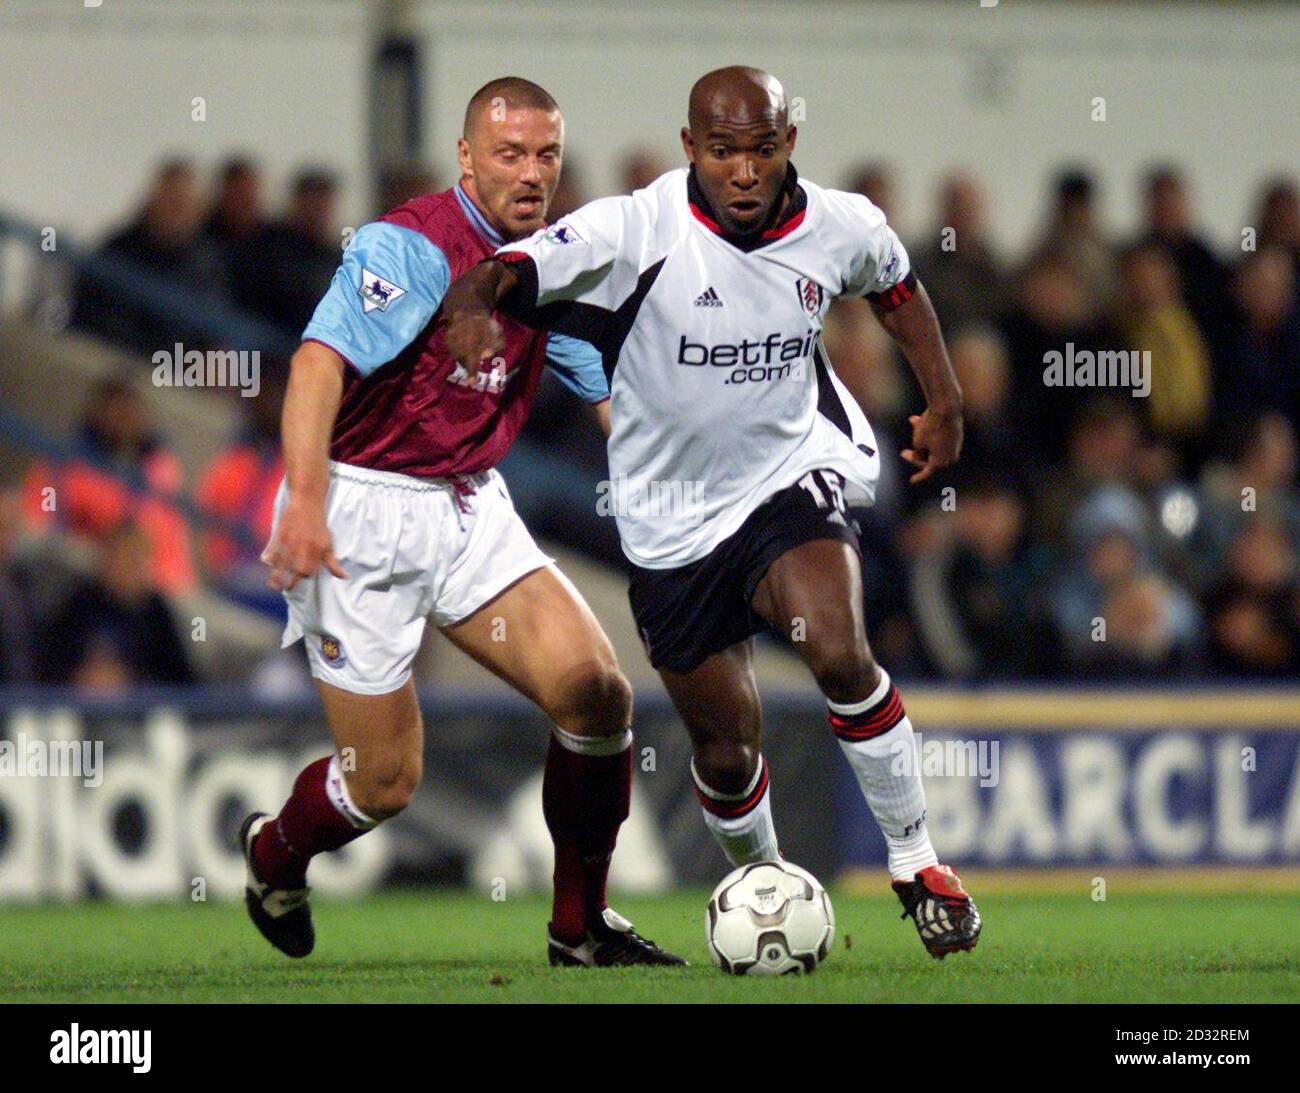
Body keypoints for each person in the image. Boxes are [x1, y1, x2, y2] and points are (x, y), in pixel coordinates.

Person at [444, 67, 981, 960]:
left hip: (787, 476)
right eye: (723, 150)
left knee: (840, 653)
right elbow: (511, 268)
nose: (742, 170)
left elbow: (895, 285)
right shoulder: (637, 226)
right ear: (691, 148)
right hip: (669, 523)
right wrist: (469, 305)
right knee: (727, 750)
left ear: (788, 147)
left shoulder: (839, 224)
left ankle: (917, 860)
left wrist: (946, 399)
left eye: (762, 149)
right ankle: (767, 886)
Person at [245, 77, 683, 968]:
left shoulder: (551, 260)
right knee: (384, 782)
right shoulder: (409, 247)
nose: (531, 174)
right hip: (361, 508)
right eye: (509, 154)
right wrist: (304, 505)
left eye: (547, 155)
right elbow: (318, 365)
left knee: (598, 695)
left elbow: (605, 391)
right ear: (466, 158)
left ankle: (580, 928)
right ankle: (274, 855)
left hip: (470, 502)